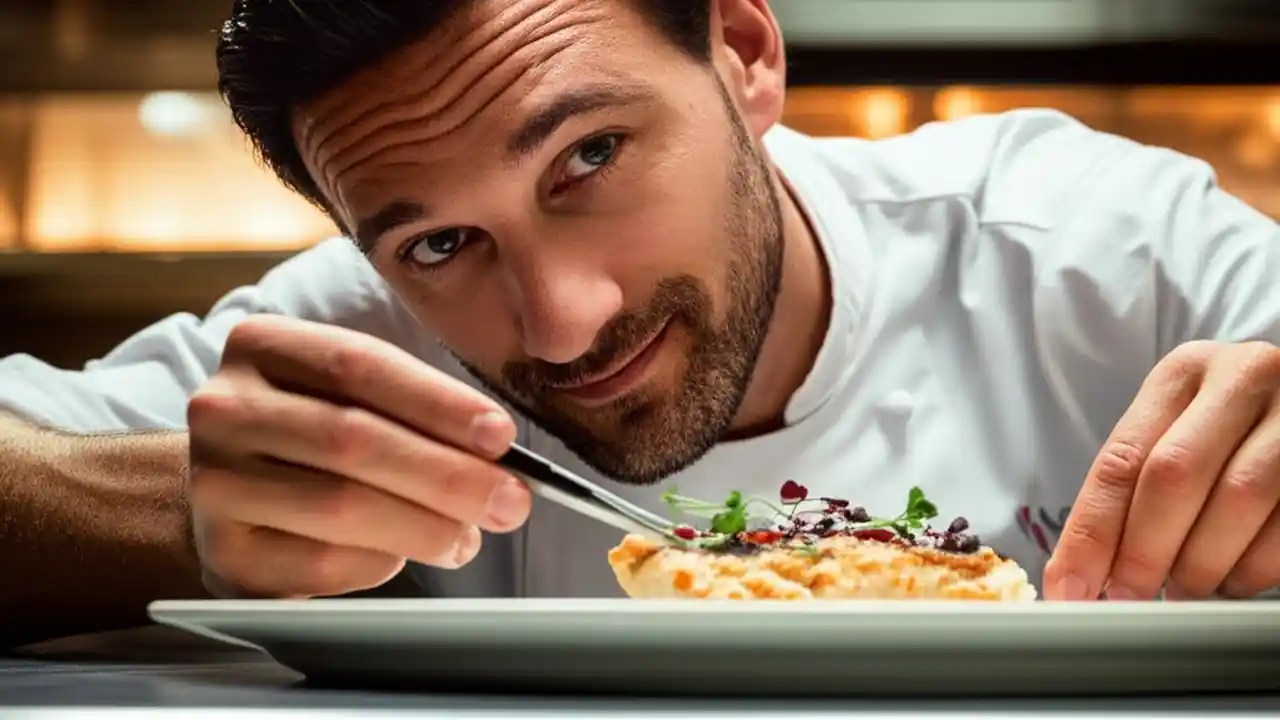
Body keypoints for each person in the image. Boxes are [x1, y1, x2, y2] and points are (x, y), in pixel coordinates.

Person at [2, 0, 1278, 645]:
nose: (562, 328)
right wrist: (174, 513)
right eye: (437, 244)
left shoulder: (1088, 246)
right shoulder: (362, 345)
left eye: (591, 155)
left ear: (742, 52)